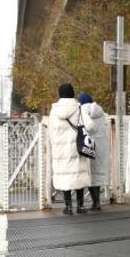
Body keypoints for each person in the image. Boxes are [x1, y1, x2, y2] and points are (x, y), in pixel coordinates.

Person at [48, 82, 91, 215]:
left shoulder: (54, 110)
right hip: (76, 145)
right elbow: (87, 126)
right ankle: (80, 206)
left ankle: (68, 206)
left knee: (64, 175)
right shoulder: (78, 107)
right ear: (72, 93)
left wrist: (55, 142)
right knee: (78, 174)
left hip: (60, 148)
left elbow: (51, 129)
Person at [78, 92, 111, 211]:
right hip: (101, 145)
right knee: (97, 174)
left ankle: (90, 203)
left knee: (89, 173)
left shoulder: (82, 111)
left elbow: (88, 126)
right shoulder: (100, 112)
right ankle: (97, 202)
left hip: (88, 144)